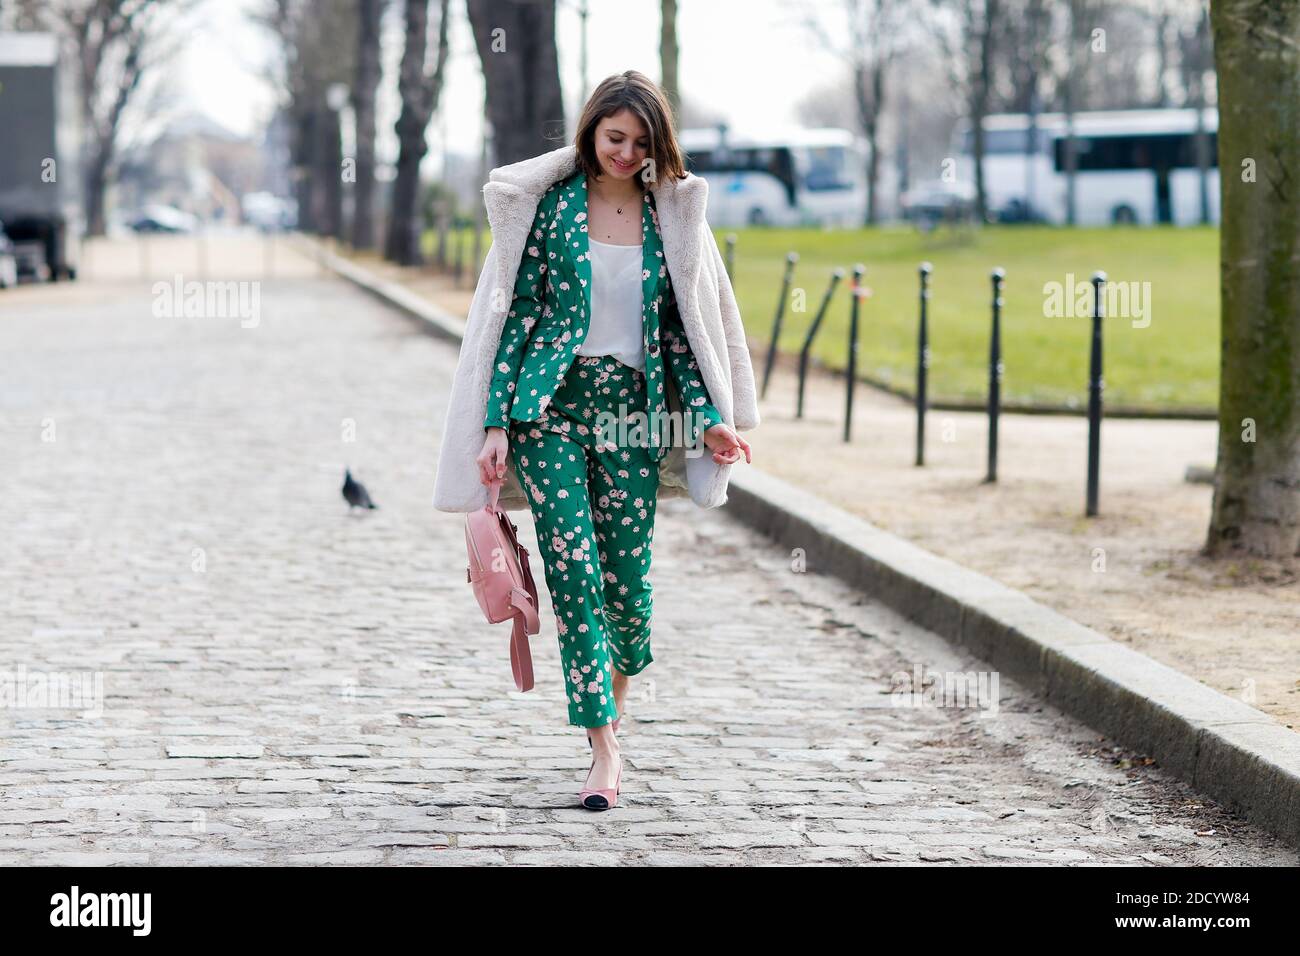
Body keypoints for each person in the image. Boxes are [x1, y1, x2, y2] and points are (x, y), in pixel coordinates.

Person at [435, 70, 759, 810]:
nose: (625, 151)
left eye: (641, 141)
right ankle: (602, 744)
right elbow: (513, 321)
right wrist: (493, 422)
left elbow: (684, 332)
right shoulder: (550, 211)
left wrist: (711, 415)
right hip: (548, 410)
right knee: (574, 572)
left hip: (632, 416)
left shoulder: (667, 219)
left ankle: (614, 700)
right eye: (615, 137)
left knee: (628, 590)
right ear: (590, 131)